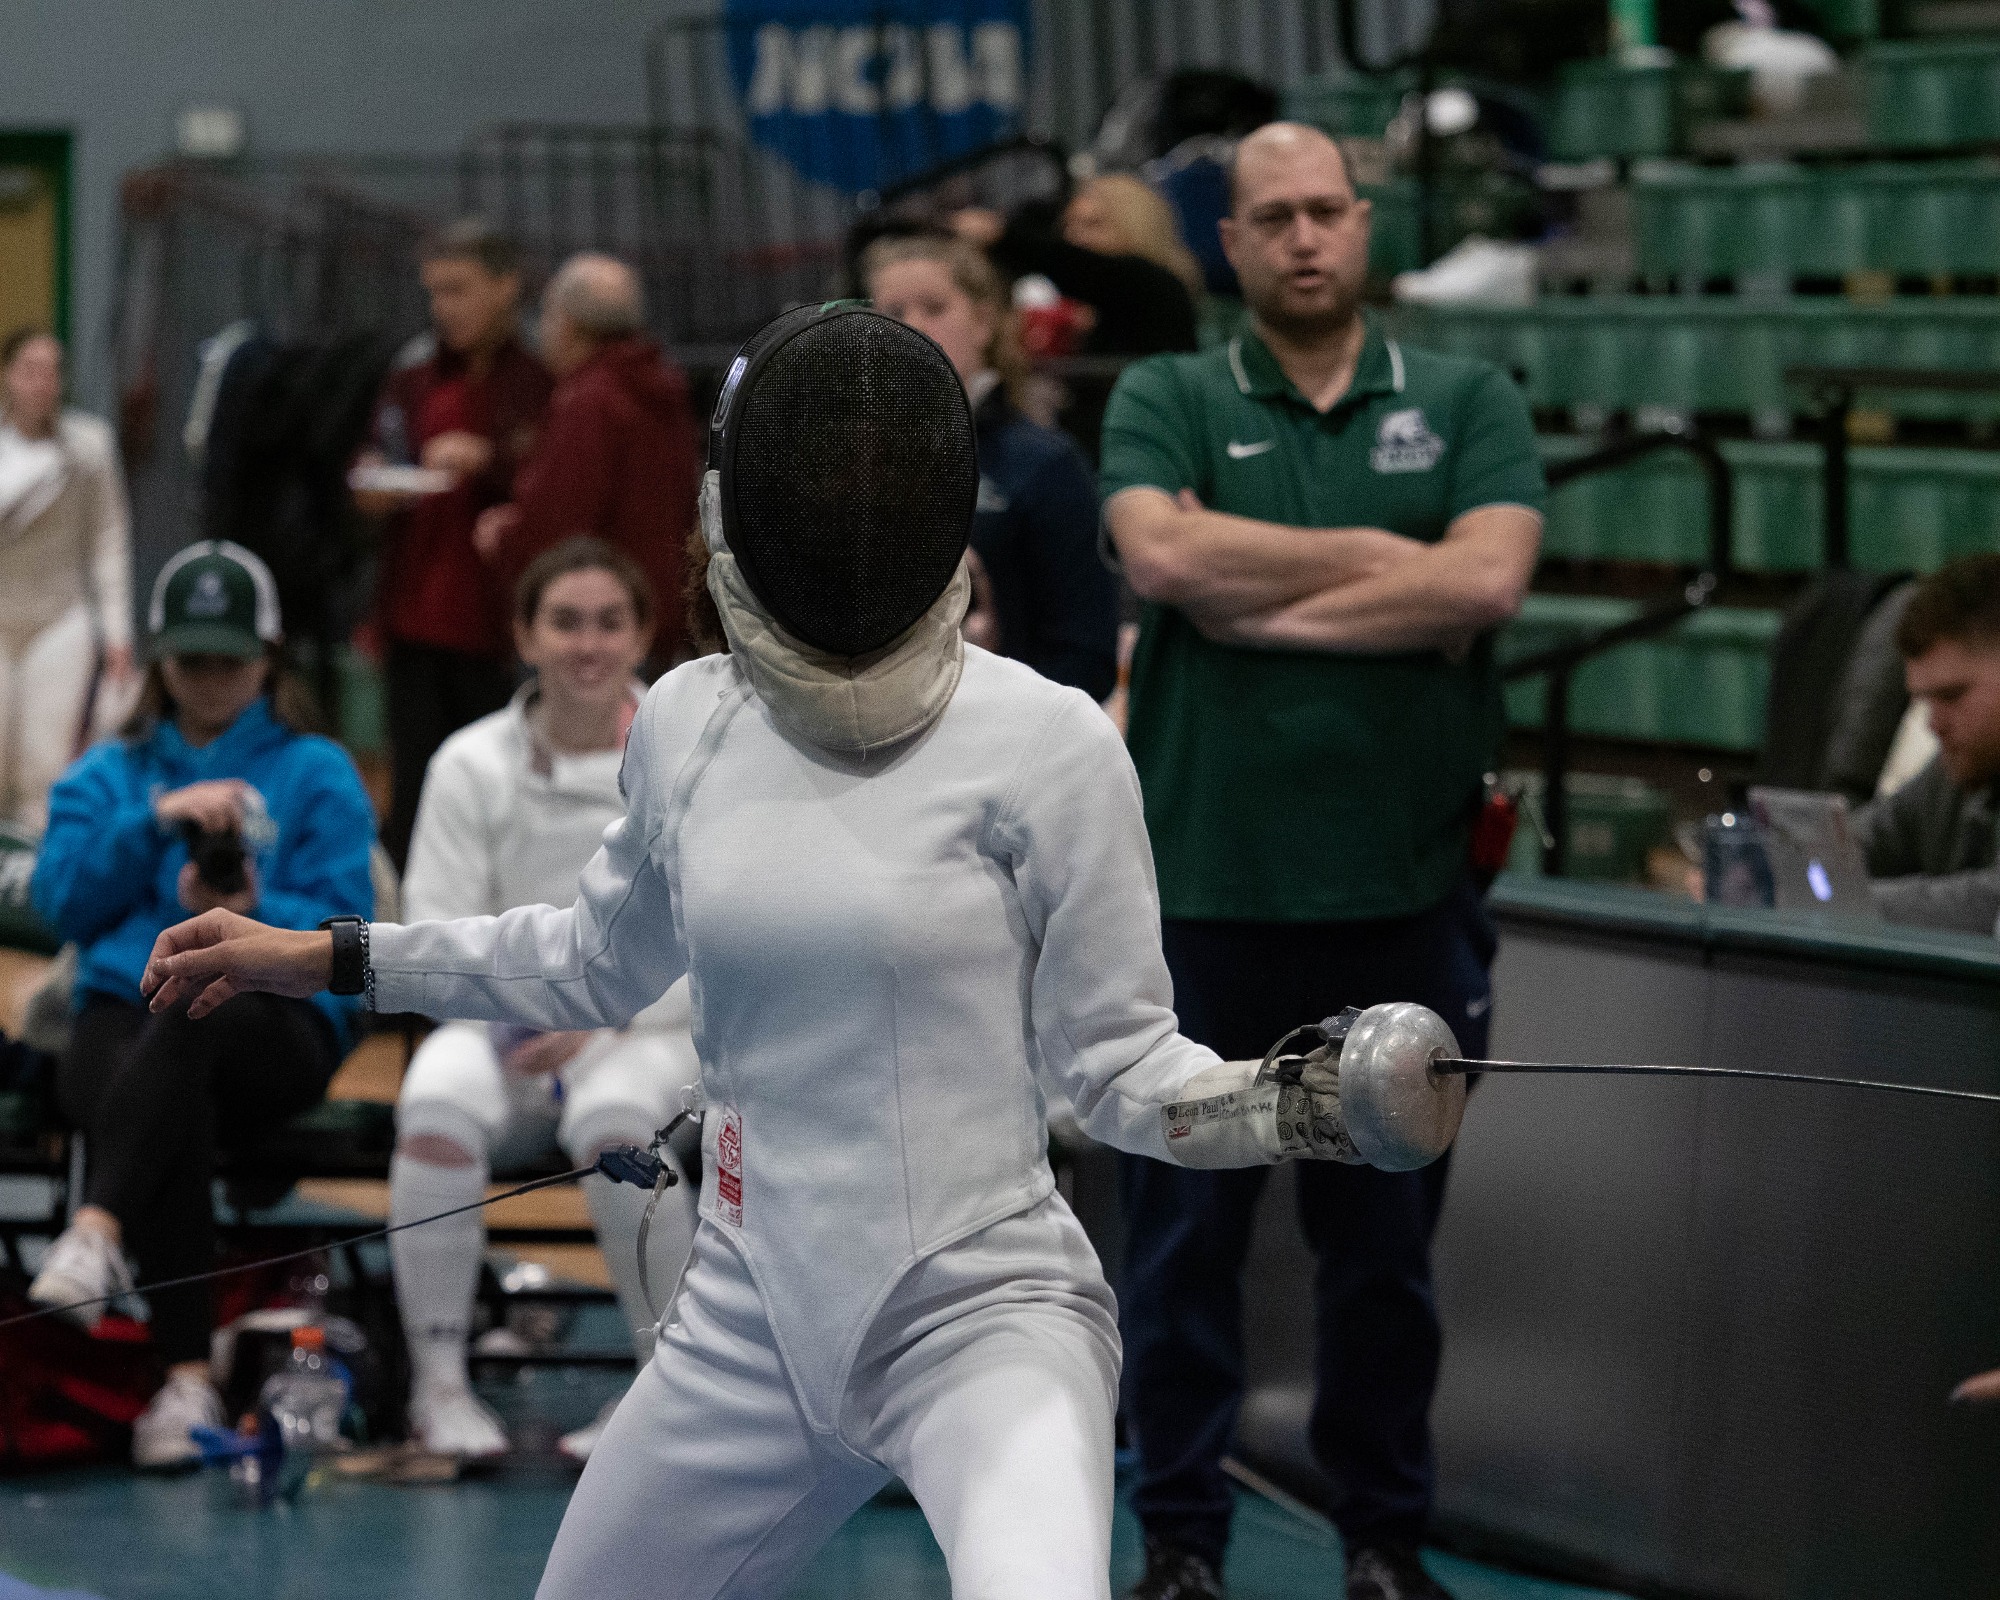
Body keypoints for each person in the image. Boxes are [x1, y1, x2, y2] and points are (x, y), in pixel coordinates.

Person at [138, 304, 1437, 1600]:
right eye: (817, 476)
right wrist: (330, 954)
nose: (847, 507)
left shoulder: (1048, 742)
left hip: (983, 1322)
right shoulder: (689, 721)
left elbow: (1119, 1074)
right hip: (747, 1327)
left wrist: (1301, 1099)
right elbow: (589, 959)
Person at [1099, 123, 1545, 1600]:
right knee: (1182, 1256)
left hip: (1406, 906)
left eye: (1326, 211)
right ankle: (1180, 1542)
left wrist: (1261, 588)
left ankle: (1381, 1544)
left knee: (1384, 1267)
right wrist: (1389, 572)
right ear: (1228, 242)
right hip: (1208, 904)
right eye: (1271, 215)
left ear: (1366, 227)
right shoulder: (1166, 391)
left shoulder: (1470, 396)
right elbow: (1160, 561)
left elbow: (1489, 577)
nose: (1303, 236)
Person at [25, 540, 376, 1469]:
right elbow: (59, 902)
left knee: (192, 1010)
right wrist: (155, 822)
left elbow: (353, 928)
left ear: (268, 657)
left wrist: (256, 917)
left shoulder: (318, 772)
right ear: (159, 661)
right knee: (158, 1067)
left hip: (277, 1020)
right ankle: (184, 1388)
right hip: (127, 1012)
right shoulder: (114, 774)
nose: (212, 678)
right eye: (193, 658)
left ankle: (98, 1235)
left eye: (230, 657)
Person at [390, 537, 699, 1464]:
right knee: (435, 1106)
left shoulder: (685, 761)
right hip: (505, 1028)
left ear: (644, 634)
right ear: (525, 637)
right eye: (564, 622)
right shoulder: (468, 765)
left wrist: (603, 1015)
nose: (587, 645)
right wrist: (532, 1011)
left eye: (610, 622)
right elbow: (435, 931)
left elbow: (716, 932)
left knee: (614, 1125)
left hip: (653, 1028)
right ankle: (438, 1387)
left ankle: (663, 1393)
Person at [355, 220, 553, 869]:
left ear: (505, 288)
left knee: (499, 786)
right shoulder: (413, 375)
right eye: (435, 292)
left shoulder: (541, 382)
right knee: (412, 785)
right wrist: (372, 487)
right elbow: (376, 459)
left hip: (501, 629)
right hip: (413, 617)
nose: (444, 306)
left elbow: (558, 491)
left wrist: (490, 461)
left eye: (458, 290)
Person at [864, 233, 1119, 701]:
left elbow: (1088, 657)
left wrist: (995, 711)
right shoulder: (849, 463)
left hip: (1009, 737)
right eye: (894, 314)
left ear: (984, 321)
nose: (912, 328)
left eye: (934, 308)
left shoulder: (1044, 463)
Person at [473, 254, 702, 669]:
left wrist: (506, 536)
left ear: (568, 323)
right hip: (656, 613)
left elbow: (560, 523)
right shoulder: (662, 387)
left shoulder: (589, 400)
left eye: (544, 313)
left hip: (592, 626)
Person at [0, 328, 137, 830]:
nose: (42, 383)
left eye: (52, 371)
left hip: (62, 620)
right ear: (8, 377)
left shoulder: (90, 446)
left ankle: (33, 884)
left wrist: (118, 632)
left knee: (45, 762)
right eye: (30, 371)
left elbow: (108, 542)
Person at [1853, 553, 2000, 930]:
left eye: (1952, 696)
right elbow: (1867, 839)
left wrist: (1815, 901)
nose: (1933, 725)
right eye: (1925, 701)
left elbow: (1989, 905)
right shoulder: (1958, 770)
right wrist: (1763, 865)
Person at [954, 174, 1202, 357]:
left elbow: (1082, 267)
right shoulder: (1087, 303)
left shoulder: (1158, 287)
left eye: (1093, 224)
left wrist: (1000, 235)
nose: (1074, 238)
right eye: (1070, 226)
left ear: (1136, 227)